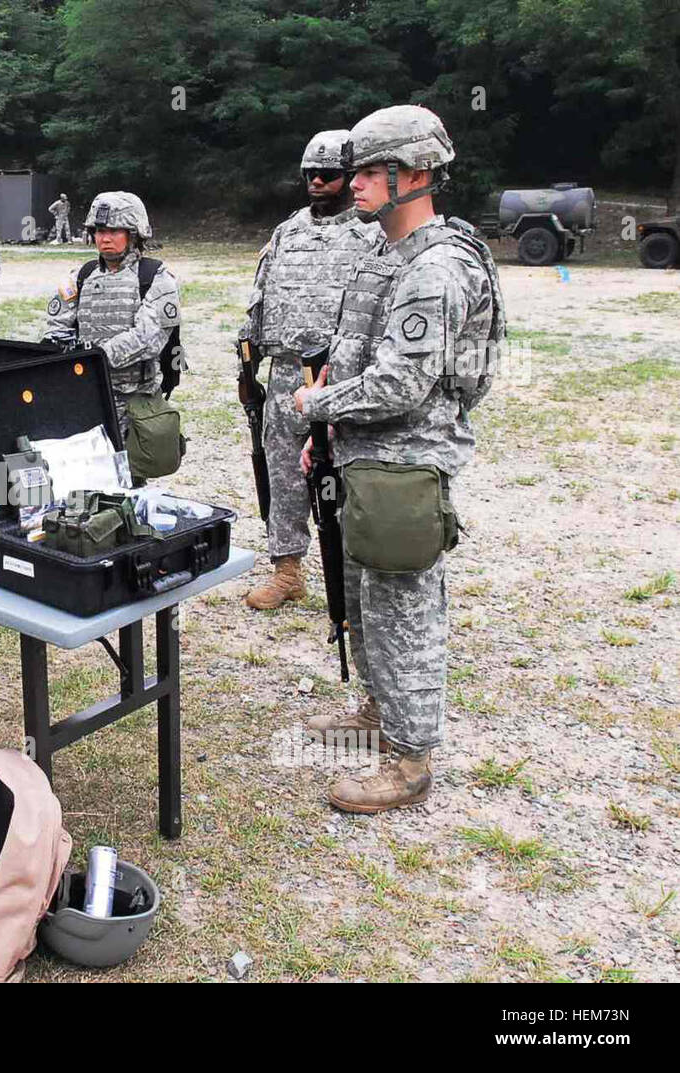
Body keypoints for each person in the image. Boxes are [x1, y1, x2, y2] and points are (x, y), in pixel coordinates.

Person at [294, 105, 505, 813]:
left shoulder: (435, 269)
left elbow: (400, 384)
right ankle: (377, 715)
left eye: (369, 171)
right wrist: (323, 429)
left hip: (405, 463)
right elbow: (358, 352)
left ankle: (411, 761)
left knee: (404, 609)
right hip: (366, 455)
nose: (352, 183)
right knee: (366, 598)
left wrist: (314, 407)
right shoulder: (389, 252)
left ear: (414, 173)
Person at [239, 131, 381, 610]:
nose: (318, 182)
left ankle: (356, 578)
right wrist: (248, 355)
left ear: (350, 177)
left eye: (330, 175)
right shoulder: (288, 232)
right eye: (309, 175)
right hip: (284, 376)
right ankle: (287, 571)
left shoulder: (373, 234)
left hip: (341, 377)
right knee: (282, 474)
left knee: (344, 476)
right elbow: (261, 293)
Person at [43, 191, 180, 438]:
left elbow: (148, 339)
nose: (105, 238)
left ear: (134, 234)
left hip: (135, 400)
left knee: (132, 473)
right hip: (84, 394)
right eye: (100, 231)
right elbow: (56, 328)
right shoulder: (81, 276)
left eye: (114, 232)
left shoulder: (155, 277)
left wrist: (94, 358)